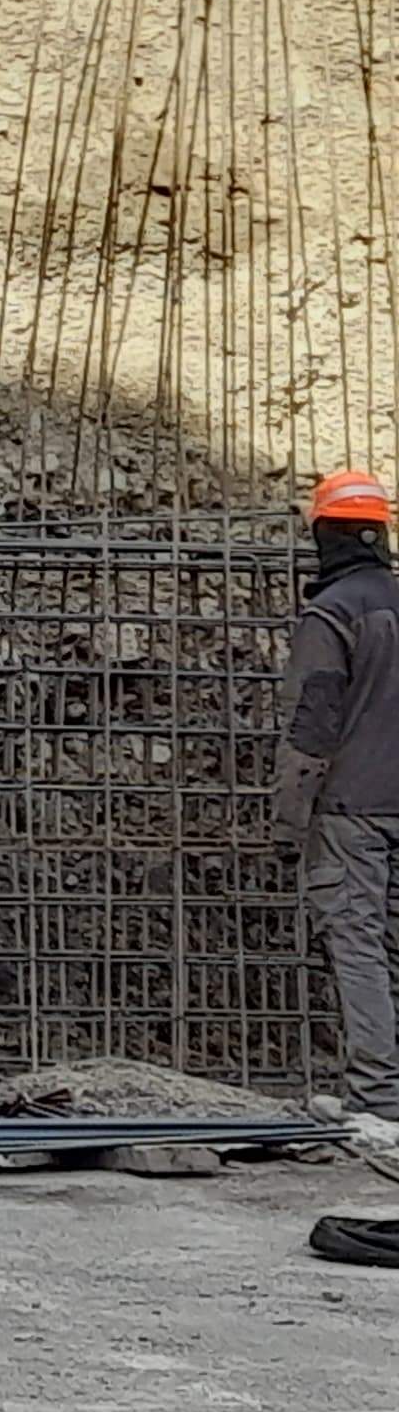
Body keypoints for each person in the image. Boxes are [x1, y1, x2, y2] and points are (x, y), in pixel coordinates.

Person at [281, 467, 399, 1154]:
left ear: (324, 534)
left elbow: (312, 723)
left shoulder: (333, 613)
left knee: (356, 942)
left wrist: (288, 818)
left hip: (354, 806)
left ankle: (380, 1099)